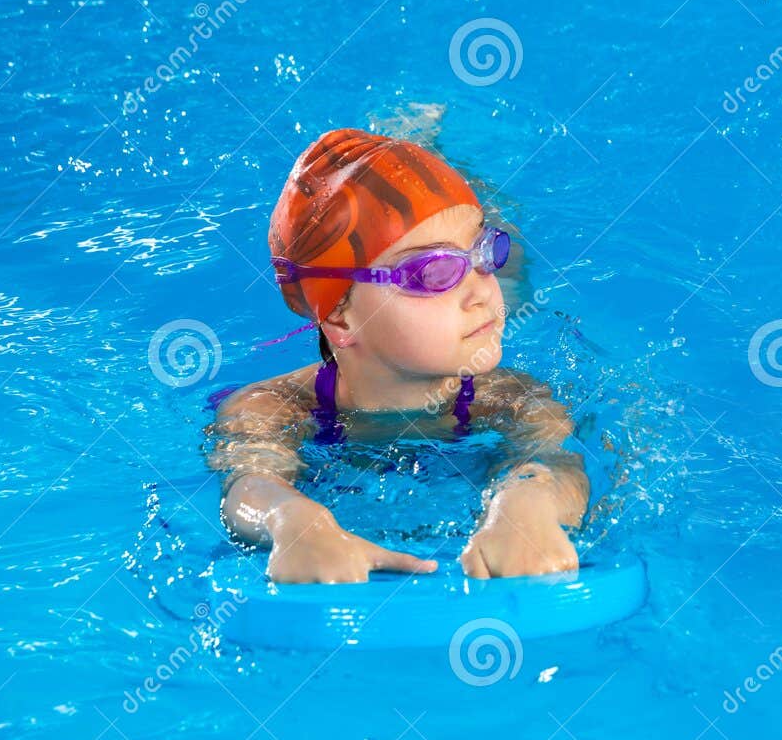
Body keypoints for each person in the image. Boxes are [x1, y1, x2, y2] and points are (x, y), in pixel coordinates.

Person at [208, 128, 587, 584]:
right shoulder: (270, 407)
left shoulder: (508, 397)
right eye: (434, 271)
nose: (482, 292)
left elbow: (556, 458)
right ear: (341, 320)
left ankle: (420, 143)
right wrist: (290, 520)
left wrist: (527, 504)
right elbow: (251, 483)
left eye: (486, 252)